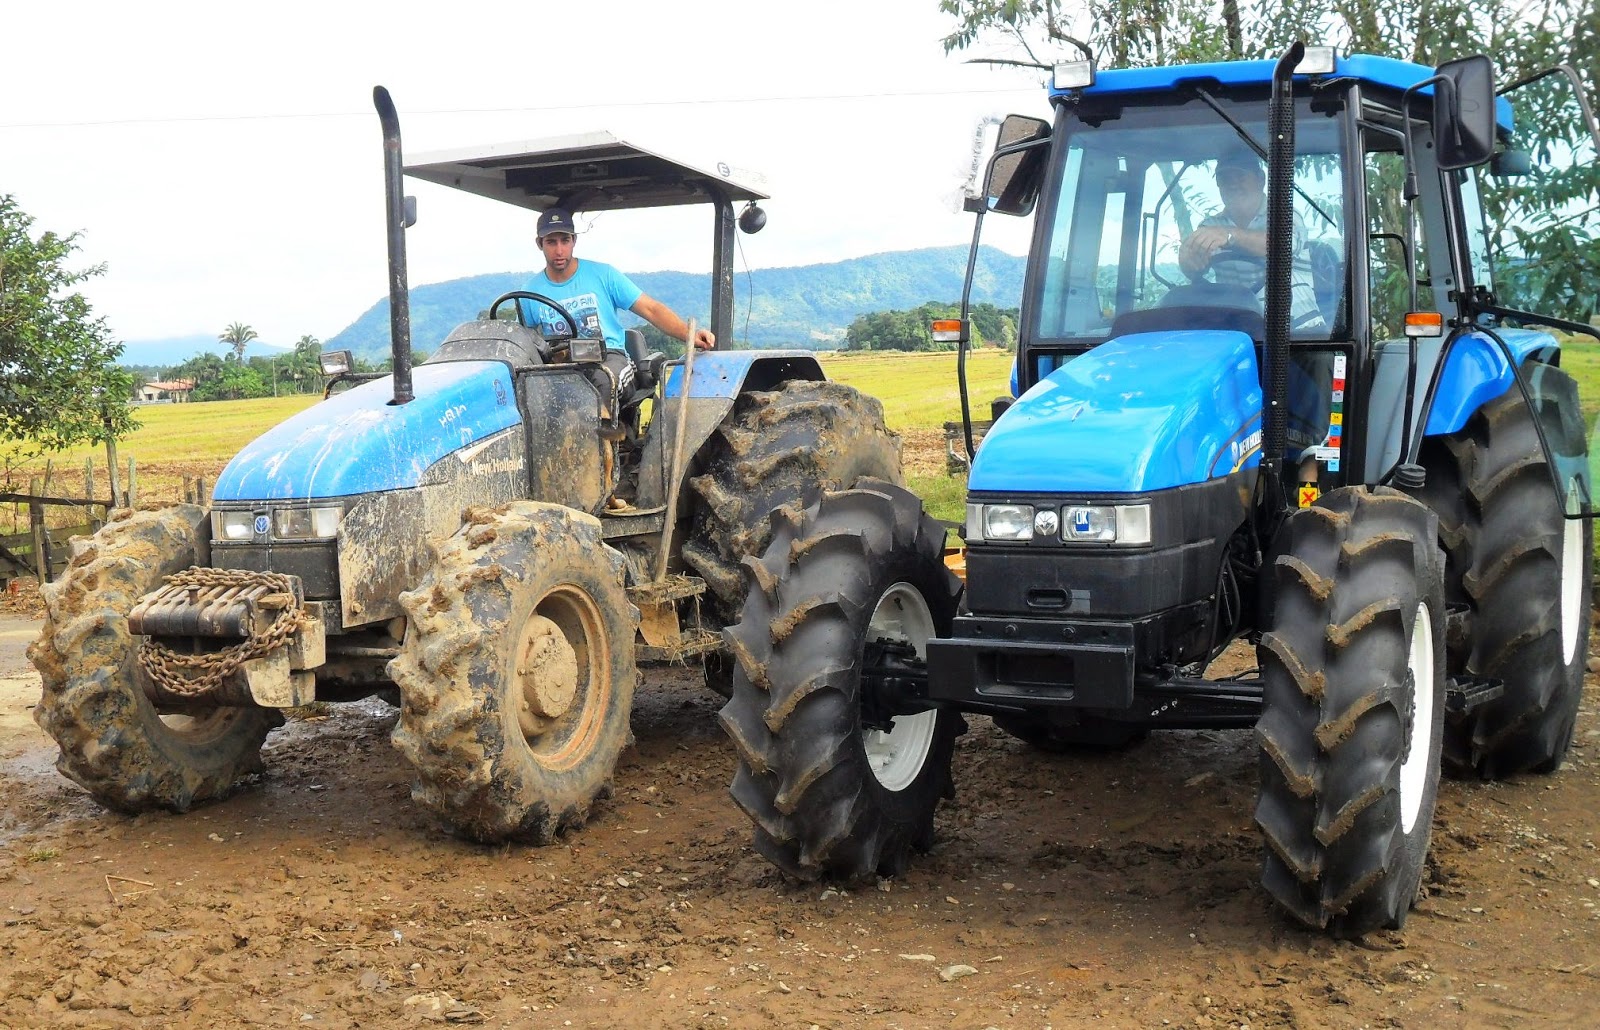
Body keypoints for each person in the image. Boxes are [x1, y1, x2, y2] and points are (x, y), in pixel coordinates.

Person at [1177, 146, 1326, 333]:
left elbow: (1283, 245)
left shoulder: (1285, 214)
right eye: (1224, 179)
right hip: (1240, 333)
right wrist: (1188, 261)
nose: (1233, 185)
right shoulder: (1210, 226)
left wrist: (1230, 236)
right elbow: (1193, 266)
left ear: (1261, 179)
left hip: (1302, 333)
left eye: (1240, 176)